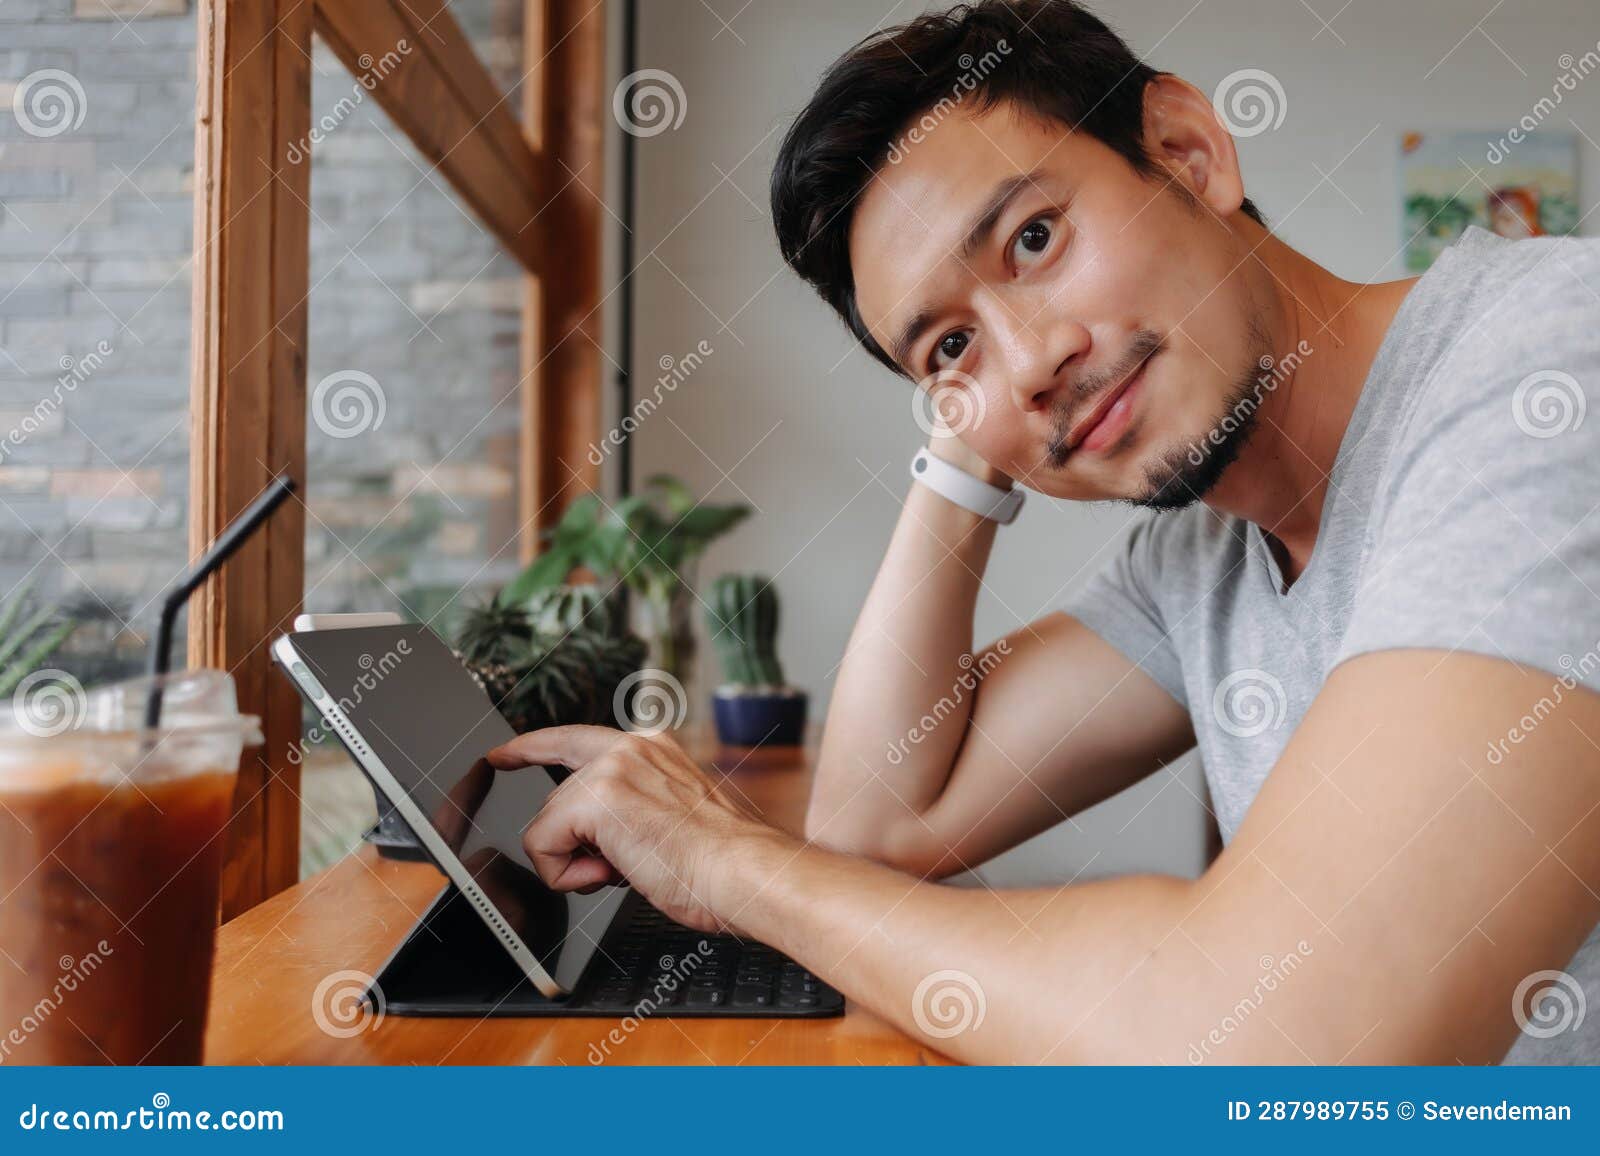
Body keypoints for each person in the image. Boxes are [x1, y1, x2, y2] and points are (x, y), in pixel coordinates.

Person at [488, 0, 1600, 1063]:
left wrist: (725, 863)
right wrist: (981, 418)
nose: (1031, 358)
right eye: (947, 349)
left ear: (1187, 151)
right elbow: (876, 821)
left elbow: (1292, 1043)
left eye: (1033, 237)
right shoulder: (1199, 558)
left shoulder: (1547, 366)